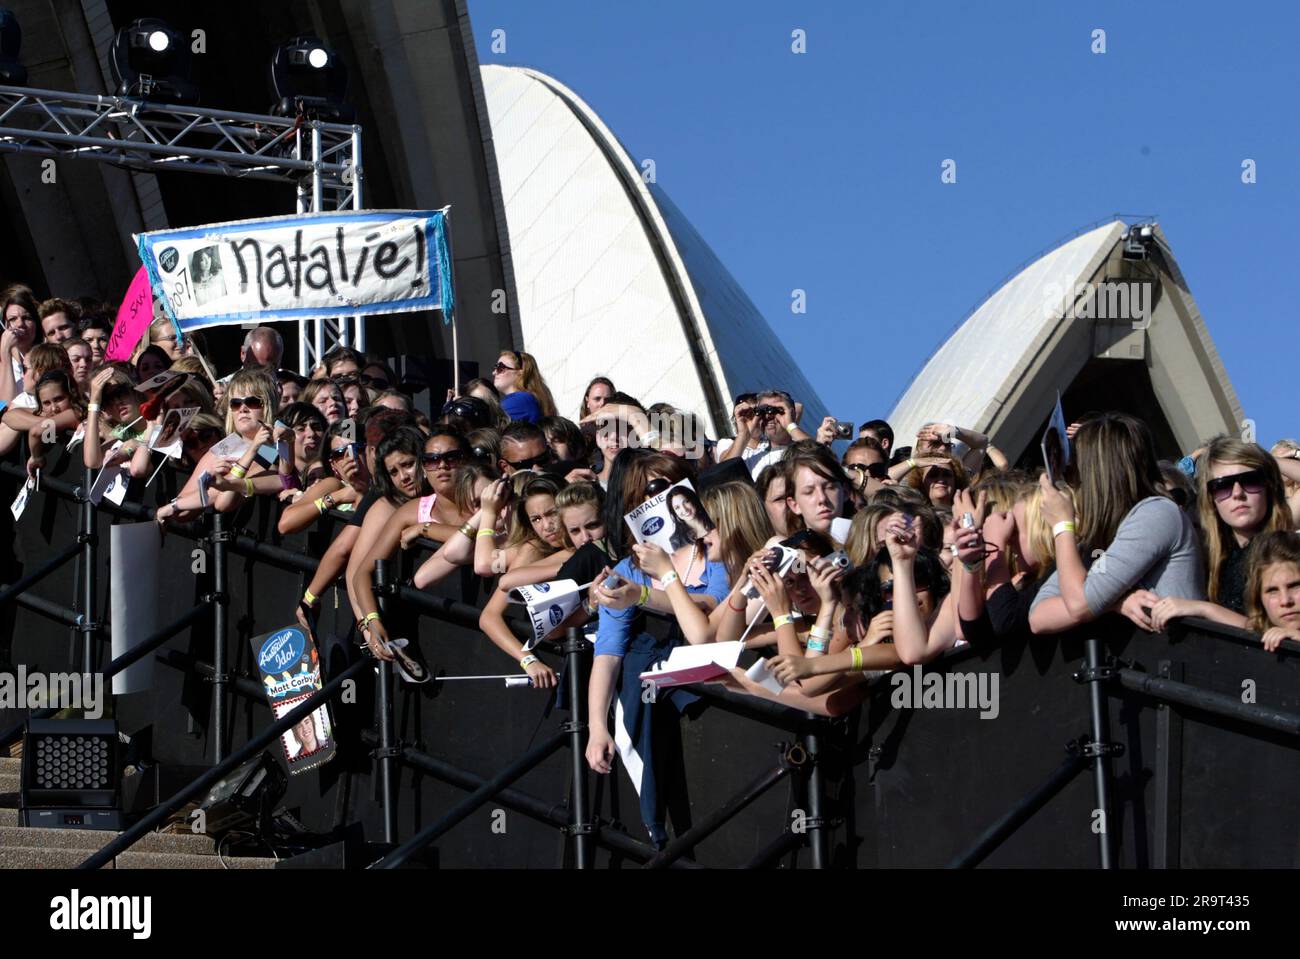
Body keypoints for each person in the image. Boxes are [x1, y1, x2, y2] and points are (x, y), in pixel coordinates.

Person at [1029, 413, 1205, 635]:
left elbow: (1079, 605)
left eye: (1071, 471)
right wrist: (1115, 602)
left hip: (1181, 652)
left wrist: (1062, 526)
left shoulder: (1156, 513)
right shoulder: (1098, 538)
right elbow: (1038, 617)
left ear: (1097, 476)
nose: (1069, 483)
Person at [1146, 438, 1292, 632]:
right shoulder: (1211, 553)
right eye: (1223, 486)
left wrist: (1205, 609)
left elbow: (1267, 633)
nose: (1237, 493)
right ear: (1211, 498)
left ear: (1269, 486)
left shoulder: (1287, 549)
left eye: (1250, 480)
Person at [718, 389, 810, 479]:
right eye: (762, 411)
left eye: (775, 411)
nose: (768, 415)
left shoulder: (800, 451)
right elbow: (722, 475)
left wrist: (789, 424)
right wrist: (744, 434)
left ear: (791, 414)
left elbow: (817, 455)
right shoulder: (754, 456)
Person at [784, 441, 852, 541]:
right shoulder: (784, 550)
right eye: (809, 492)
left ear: (845, 492)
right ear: (794, 505)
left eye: (829, 487)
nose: (822, 498)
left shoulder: (870, 543)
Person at [1244, 531, 1300, 652]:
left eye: (1295, 586)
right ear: (1259, 599)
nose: (1285, 601)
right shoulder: (1250, 648)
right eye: (1272, 590)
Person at [0, 284, 40, 403]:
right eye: (13, 319)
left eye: (27, 318)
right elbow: (4, 406)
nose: (20, 324)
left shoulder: (47, 354)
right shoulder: (3, 363)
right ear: (5, 325)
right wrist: (5, 354)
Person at [492, 350, 557, 423]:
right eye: (495, 367)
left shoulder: (520, 400)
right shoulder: (528, 398)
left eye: (500, 367)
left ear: (520, 372)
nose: (494, 373)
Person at [666, 485, 714, 551]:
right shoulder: (676, 540)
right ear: (674, 512)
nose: (684, 509)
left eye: (686, 502)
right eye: (677, 507)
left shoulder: (714, 518)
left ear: (693, 500)